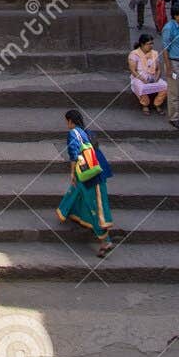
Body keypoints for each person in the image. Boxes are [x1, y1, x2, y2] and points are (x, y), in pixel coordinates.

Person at [56, 110, 114, 258]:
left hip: (88, 173)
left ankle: (105, 240)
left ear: (70, 121)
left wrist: (72, 173)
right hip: (97, 168)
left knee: (93, 204)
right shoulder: (88, 132)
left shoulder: (72, 134)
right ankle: (67, 212)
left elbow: (74, 155)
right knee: (77, 191)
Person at [128, 33, 167, 114]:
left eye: (152, 43)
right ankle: (145, 104)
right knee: (141, 87)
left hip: (152, 76)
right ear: (142, 44)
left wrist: (156, 78)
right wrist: (143, 79)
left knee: (165, 86)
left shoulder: (155, 53)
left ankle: (157, 104)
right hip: (138, 77)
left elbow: (159, 69)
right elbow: (133, 70)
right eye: (149, 44)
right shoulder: (134, 54)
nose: (151, 46)